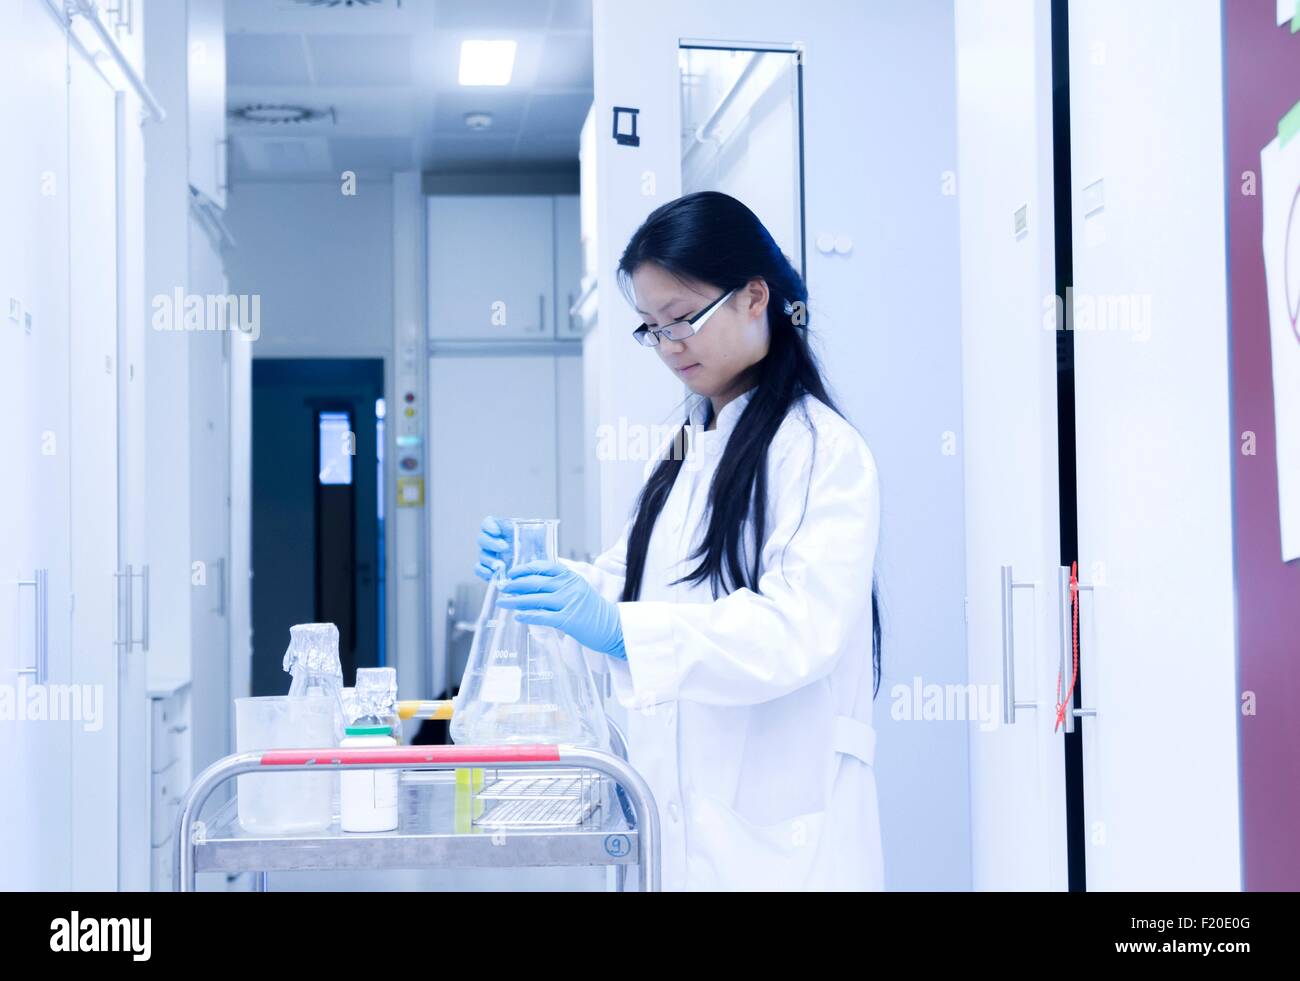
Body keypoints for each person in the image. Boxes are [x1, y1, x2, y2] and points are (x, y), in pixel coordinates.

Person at [474, 190, 883, 891]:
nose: (669, 346)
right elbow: (633, 587)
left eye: (681, 318)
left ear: (755, 296)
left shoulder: (821, 451)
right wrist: (550, 576)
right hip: (678, 833)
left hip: (784, 847)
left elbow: (798, 629)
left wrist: (622, 630)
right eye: (650, 327)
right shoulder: (684, 453)